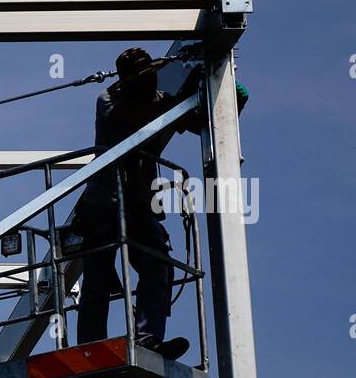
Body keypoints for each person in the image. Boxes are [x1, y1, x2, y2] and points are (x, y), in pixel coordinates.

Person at [69, 47, 243, 360]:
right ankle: (89, 351)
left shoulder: (159, 102)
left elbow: (199, 117)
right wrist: (185, 90)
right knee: (98, 279)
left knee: (156, 266)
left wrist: (222, 82)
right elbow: (134, 119)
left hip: (138, 206)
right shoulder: (109, 101)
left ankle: (147, 338)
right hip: (103, 205)